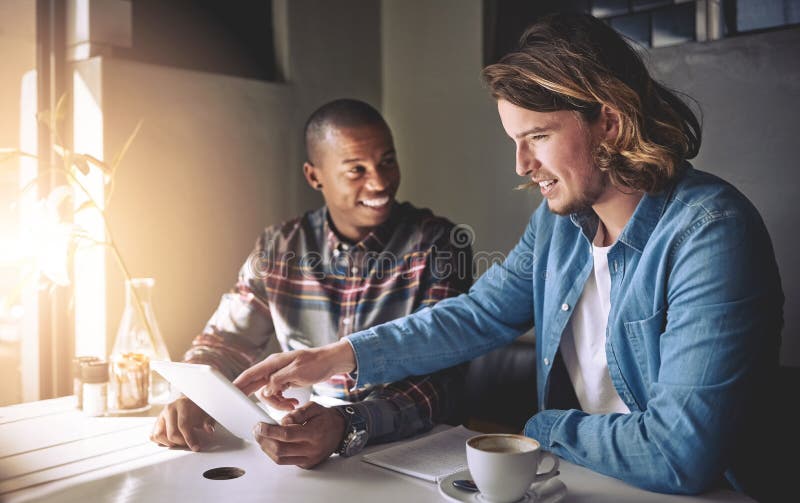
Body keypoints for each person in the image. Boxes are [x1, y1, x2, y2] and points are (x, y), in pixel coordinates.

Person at [234, 13, 784, 501]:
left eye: (538, 136)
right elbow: (479, 314)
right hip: (579, 480)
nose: (521, 165)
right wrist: (339, 356)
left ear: (610, 123)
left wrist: (540, 429)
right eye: (515, 141)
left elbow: (678, 453)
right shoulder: (558, 223)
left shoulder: (711, 233)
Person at [150, 98, 472, 468]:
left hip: (412, 450)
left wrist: (350, 423)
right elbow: (224, 342)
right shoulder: (278, 248)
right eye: (357, 170)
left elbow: (439, 379)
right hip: (308, 443)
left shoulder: (438, 244)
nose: (380, 182)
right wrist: (192, 395)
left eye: (387, 161)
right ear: (314, 176)